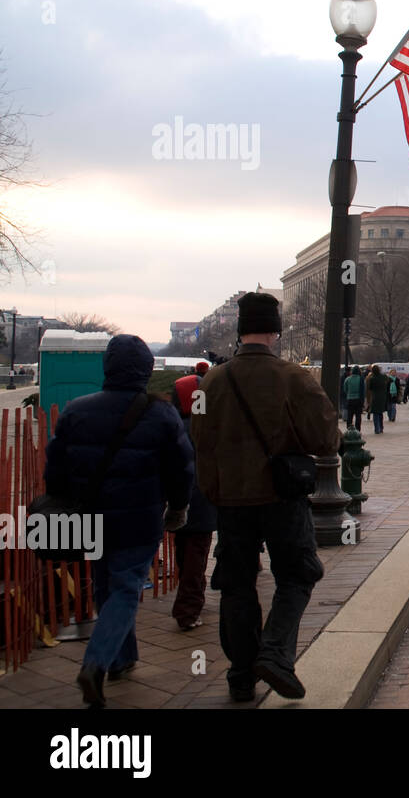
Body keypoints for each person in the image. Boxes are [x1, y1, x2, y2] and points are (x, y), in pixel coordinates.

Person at [191, 292, 339, 702]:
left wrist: (213, 491)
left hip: (231, 500)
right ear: (276, 330)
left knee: (236, 584)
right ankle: (274, 653)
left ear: (240, 331)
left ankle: (241, 675)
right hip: (281, 496)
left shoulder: (212, 381)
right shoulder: (293, 377)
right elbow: (326, 441)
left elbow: (199, 441)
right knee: (298, 574)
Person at [43, 334, 195, 707]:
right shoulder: (161, 414)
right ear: (145, 369)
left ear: (107, 368)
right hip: (139, 518)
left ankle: (121, 658)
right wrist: (178, 509)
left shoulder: (77, 410)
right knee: (126, 588)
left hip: (90, 515)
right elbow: (181, 470)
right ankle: (96, 662)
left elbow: (55, 470)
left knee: (104, 585)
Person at [169, 360, 217, 632]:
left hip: (178, 500)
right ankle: (188, 607)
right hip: (202, 500)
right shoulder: (207, 426)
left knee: (184, 551)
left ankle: (190, 596)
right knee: (196, 554)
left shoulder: (172, 426)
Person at [365, 364, 389, 434]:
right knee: (380, 413)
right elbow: (388, 381)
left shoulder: (372, 378)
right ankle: (381, 427)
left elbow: (370, 388)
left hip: (375, 397)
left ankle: (377, 428)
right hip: (383, 397)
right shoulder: (384, 377)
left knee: (375, 413)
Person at [342, 366, 364, 431]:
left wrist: (349, 394)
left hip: (350, 399)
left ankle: (349, 428)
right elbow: (363, 390)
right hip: (358, 399)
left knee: (350, 415)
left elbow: (345, 389)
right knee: (358, 416)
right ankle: (358, 429)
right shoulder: (361, 379)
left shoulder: (347, 379)